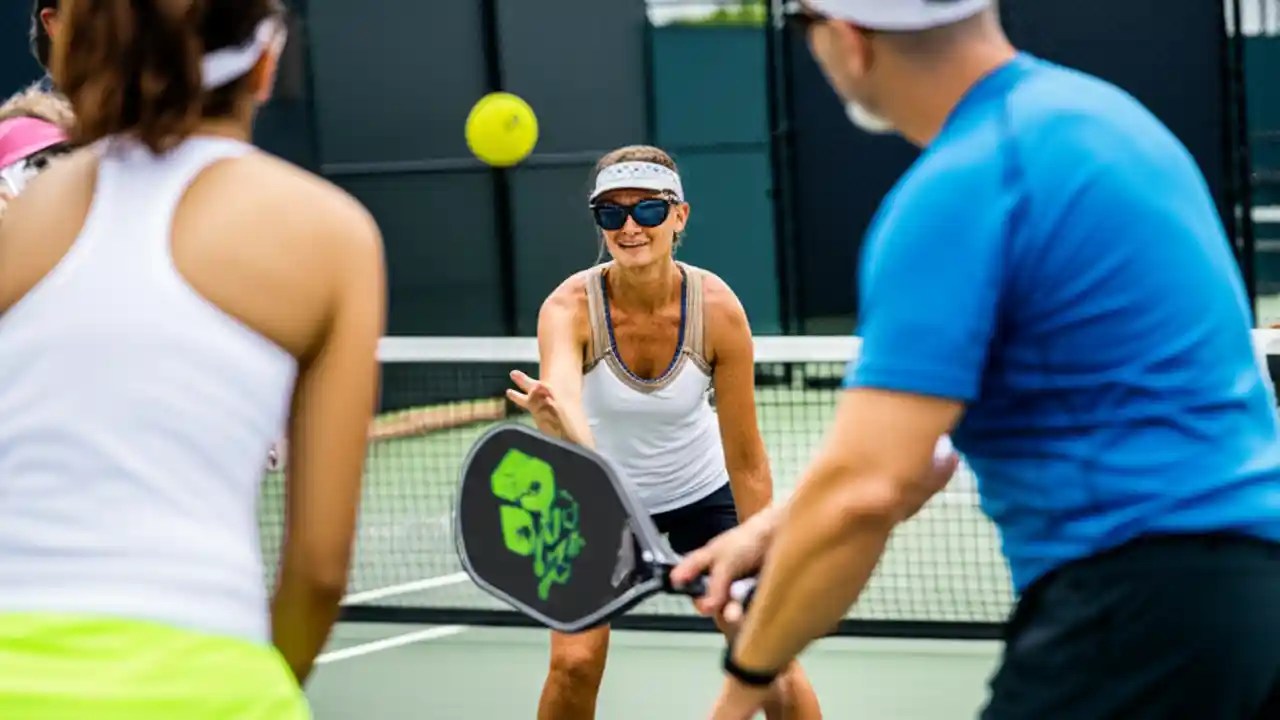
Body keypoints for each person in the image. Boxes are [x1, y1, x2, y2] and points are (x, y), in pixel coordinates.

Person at [671, 1, 1280, 719]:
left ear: (850, 40)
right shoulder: (1110, 122)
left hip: (1135, 610)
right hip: (1253, 592)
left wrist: (743, 684)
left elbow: (866, 490)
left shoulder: (960, 188)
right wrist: (768, 533)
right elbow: (919, 458)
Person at [0, 0, 385, 717]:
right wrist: (255, 689)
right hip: (209, 681)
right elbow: (318, 572)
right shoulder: (331, 233)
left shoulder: (23, 216)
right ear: (266, 62)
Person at [506, 144, 822, 720]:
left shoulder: (719, 310)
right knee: (573, 664)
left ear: (679, 216)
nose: (631, 227)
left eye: (649, 210)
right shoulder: (568, 307)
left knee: (767, 653)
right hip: (595, 498)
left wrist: (761, 555)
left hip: (700, 495)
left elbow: (746, 457)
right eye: (612, 214)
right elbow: (564, 402)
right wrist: (557, 425)